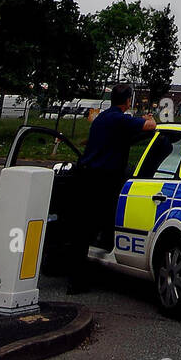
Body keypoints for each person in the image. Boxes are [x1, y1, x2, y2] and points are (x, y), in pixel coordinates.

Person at [66, 82, 157, 293]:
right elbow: (150, 127)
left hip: (86, 177)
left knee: (82, 231)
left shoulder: (103, 119)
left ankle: (76, 278)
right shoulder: (119, 119)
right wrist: (150, 118)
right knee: (95, 226)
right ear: (127, 101)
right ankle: (82, 278)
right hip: (104, 181)